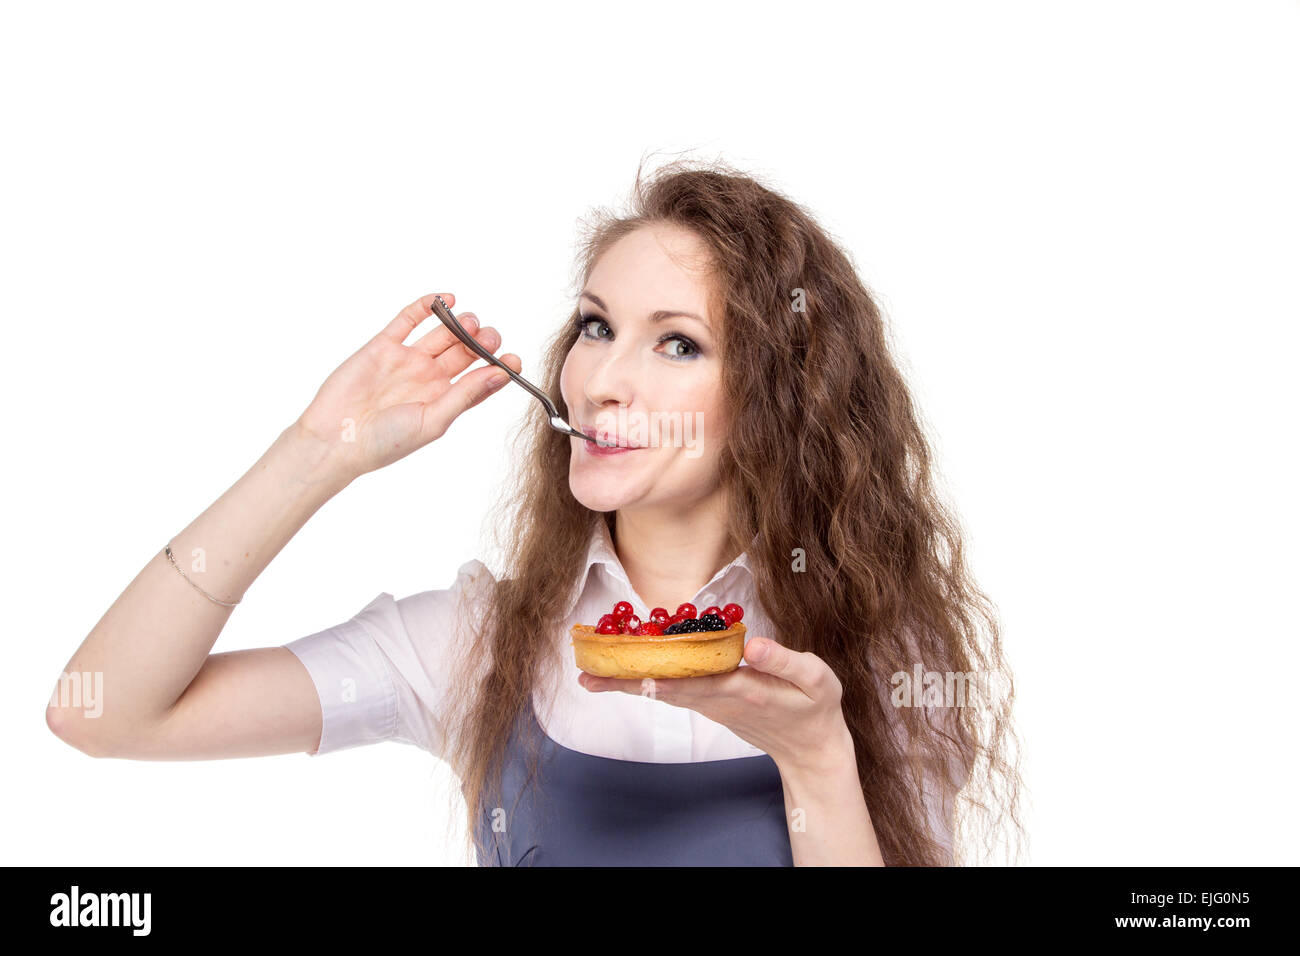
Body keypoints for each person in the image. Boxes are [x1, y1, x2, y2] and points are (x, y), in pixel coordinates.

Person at [46, 158, 1023, 866]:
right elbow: (103, 710)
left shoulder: (883, 651)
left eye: (675, 343)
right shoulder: (478, 644)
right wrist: (315, 453)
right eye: (596, 326)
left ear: (779, 394)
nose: (599, 378)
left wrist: (815, 757)